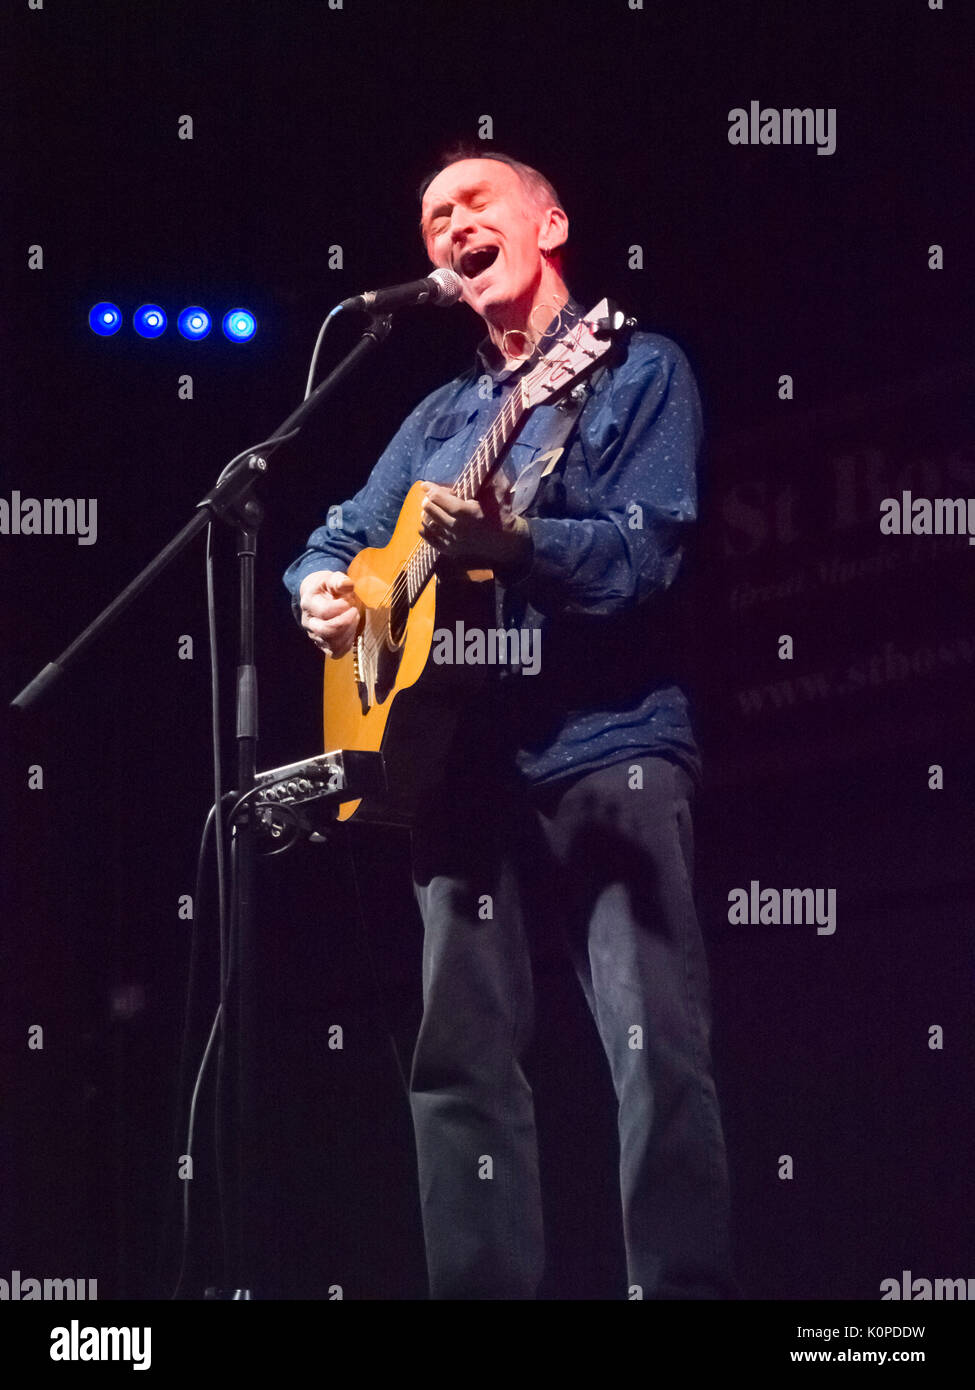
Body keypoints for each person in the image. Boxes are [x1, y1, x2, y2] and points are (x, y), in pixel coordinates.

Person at [283, 150, 736, 1300]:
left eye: (473, 202)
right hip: (456, 759)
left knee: (655, 1052)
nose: (449, 225)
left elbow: (647, 554)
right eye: (432, 215)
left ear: (550, 222)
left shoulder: (633, 369)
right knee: (461, 1061)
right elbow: (335, 537)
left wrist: (519, 545)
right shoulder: (441, 416)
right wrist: (321, 592)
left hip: (608, 736)